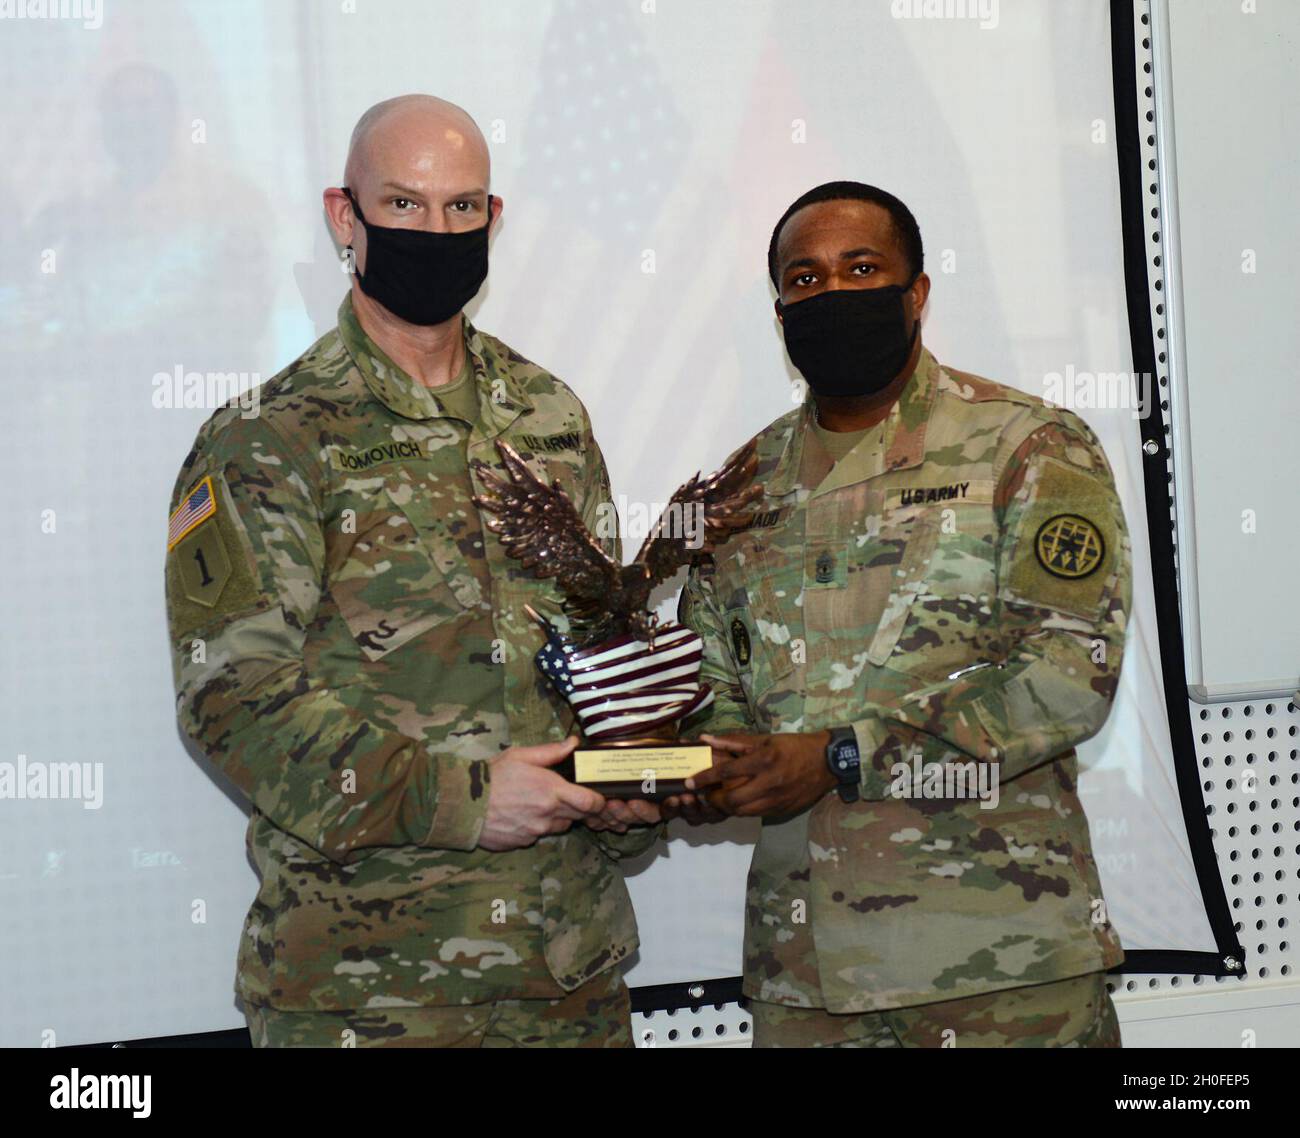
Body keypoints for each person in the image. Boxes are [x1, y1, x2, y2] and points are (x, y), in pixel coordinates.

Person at [164, 95, 657, 1048]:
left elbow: (604, 641)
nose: (435, 231)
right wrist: (461, 798)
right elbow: (232, 700)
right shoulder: (268, 436)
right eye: (403, 205)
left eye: (461, 208)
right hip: (368, 990)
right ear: (344, 217)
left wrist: (632, 782)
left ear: (493, 220)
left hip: (566, 979)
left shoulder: (550, 416)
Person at [668, 180, 1131, 1048]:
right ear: (780, 314)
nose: (833, 292)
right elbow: (711, 680)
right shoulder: (741, 487)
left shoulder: (1026, 446)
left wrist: (845, 755)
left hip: (998, 971)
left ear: (915, 293)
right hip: (806, 981)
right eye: (804, 280)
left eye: (862, 267)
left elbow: (1068, 681)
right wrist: (715, 766)